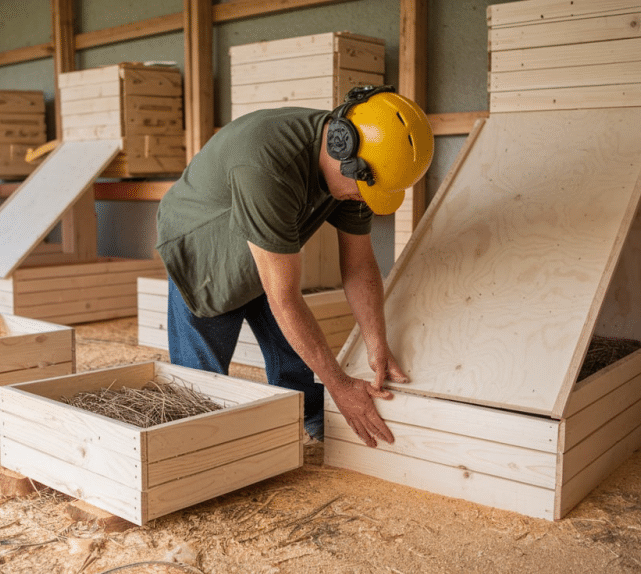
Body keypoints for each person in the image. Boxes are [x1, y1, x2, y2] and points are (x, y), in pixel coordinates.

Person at [155, 85, 434, 447]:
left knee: (297, 356)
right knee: (201, 382)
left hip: (264, 233)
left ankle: (312, 419)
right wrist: (340, 385)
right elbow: (284, 299)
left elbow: (360, 265)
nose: (364, 198)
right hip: (204, 244)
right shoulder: (266, 165)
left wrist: (376, 342)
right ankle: (195, 451)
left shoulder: (362, 169)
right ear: (340, 144)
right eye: (364, 189)